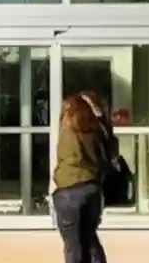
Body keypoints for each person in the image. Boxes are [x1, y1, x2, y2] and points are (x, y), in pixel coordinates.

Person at [52, 93, 110, 263]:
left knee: (73, 246)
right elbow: (109, 153)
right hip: (91, 187)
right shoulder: (96, 128)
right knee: (90, 240)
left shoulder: (68, 123)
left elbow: (66, 157)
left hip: (68, 189)